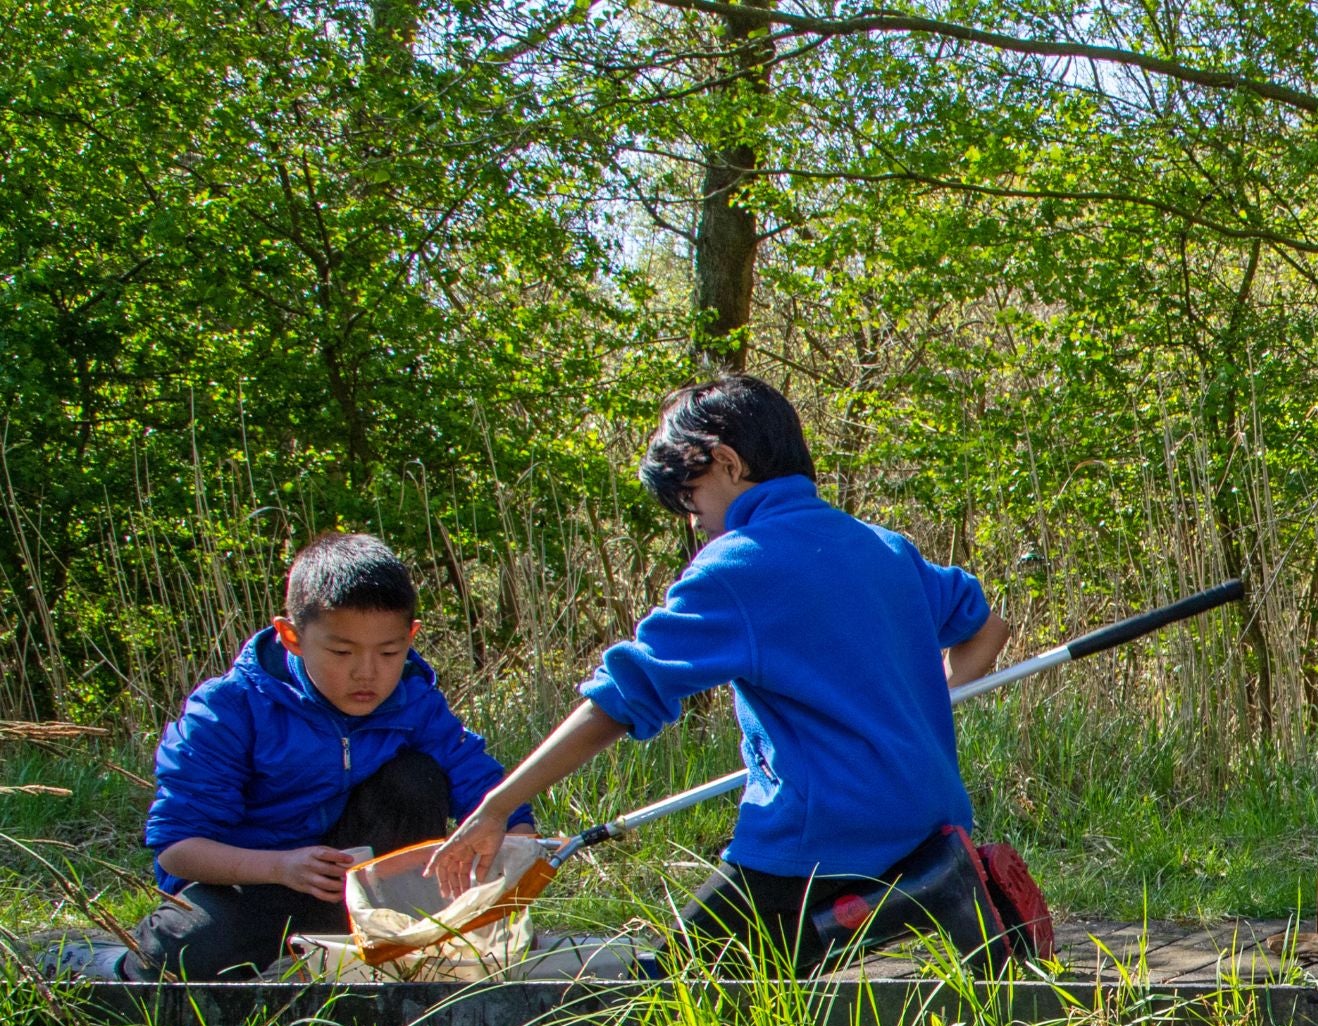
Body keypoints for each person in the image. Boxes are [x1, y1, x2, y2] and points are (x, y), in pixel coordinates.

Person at [425, 374, 1014, 973]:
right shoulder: (882, 546)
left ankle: (930, 894)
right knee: (775, 975)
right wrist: (925, 706)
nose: (692, 520)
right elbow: (986, 627)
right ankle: (923, 888)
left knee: (668, 993)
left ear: (727, 463)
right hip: (929, 817)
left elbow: (622, 699)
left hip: (823, 836)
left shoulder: (739, 563)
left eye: (692, 497)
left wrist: (497, 807)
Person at [131, 533, 529, 979]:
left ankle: (386, 944)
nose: (367, 672)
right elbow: (177, 850)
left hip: (367, 892)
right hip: (255, 882)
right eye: (341, 652)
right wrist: (282, 867)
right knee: (179, 955)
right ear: (290, 637)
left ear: (411, 636)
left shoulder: (414, 701)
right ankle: (100, 968)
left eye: (389, 652)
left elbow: (485, 788)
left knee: (416, 777)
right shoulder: (228, 709)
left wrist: (520, 841)